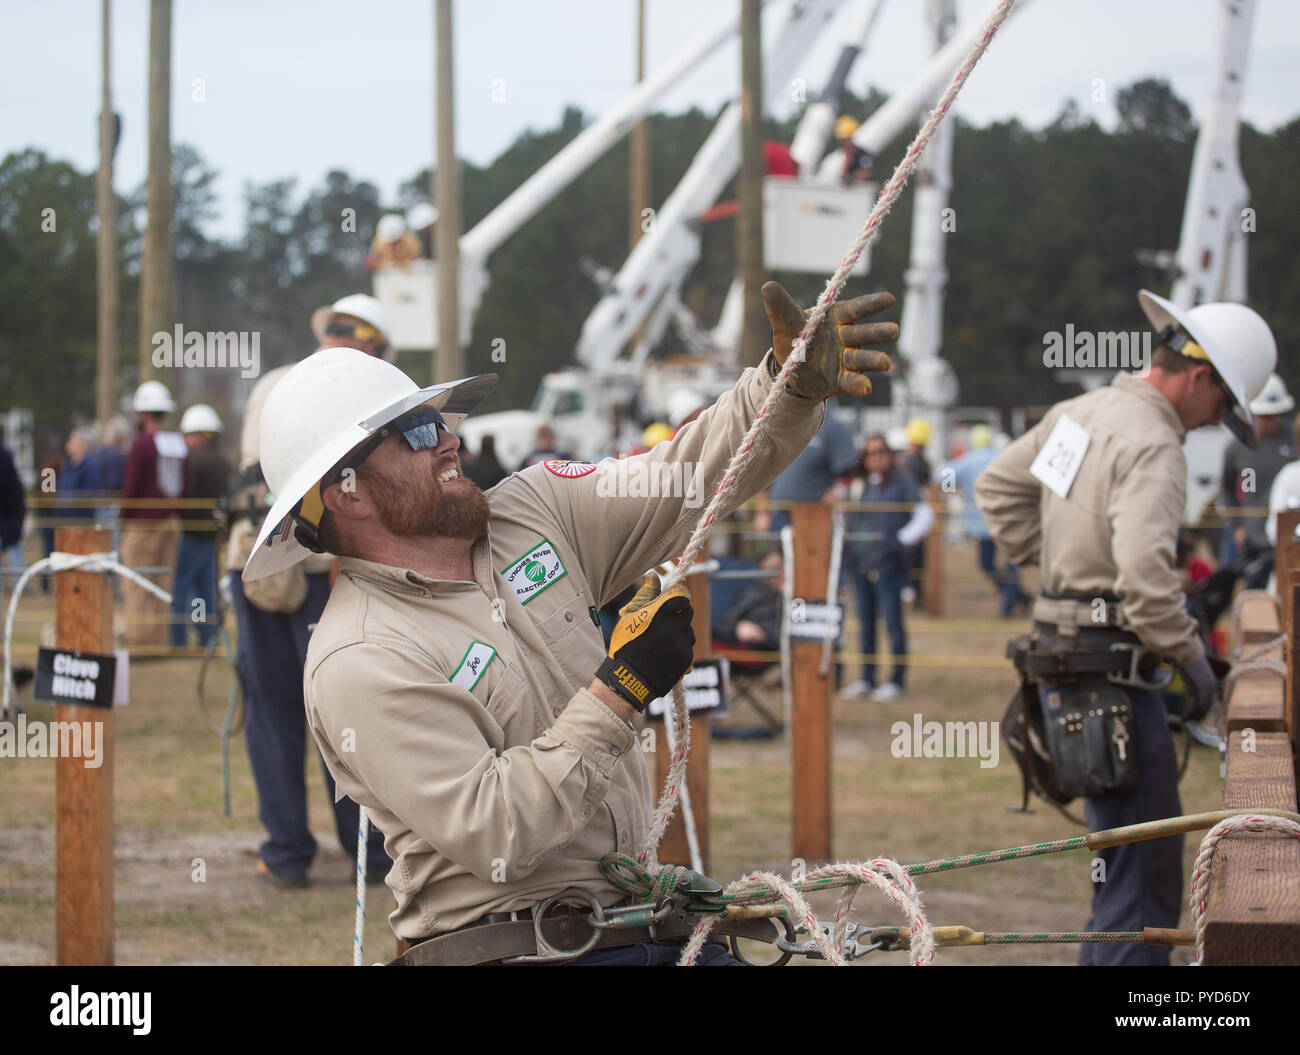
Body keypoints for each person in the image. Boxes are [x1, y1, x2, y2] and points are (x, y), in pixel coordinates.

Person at [241, 281, 898, 961]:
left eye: (438, 418)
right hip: (510, 948)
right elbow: (501, 833)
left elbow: (687, 473)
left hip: (630, 925)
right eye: (413, 431)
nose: (448, 438)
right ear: (345, 495)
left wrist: (784, 389)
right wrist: (622, 688)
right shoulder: (359, 656)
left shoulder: (534, 508)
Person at [975, 289, 1277, 966]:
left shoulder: (1078, 415)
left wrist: (1060, 563)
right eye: (1222, 408)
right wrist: (1195, 662)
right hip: (1112, 679)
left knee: (1119, 873)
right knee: (1141, 886)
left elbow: (997, 487)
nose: (1210, 424)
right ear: (1200, 378)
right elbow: (1145, 581)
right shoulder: (1154, 445)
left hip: (1063, 666)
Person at [228, 292, 393, 887]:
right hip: (284, 564)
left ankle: (351, 852)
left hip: (317, 566)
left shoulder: (354, 393)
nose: (347, 340)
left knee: (334, 708)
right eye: (344, 331)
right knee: (292, 711)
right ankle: (299, 851)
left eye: (356, 334)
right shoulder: (295, 385)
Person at [840, 434, 933, 701]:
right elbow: (847, 520)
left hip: (889, 568)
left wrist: (900, 542)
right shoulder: (860, 486)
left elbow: (925, 514)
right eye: (870, 453)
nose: (876, 457)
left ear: (889, 454)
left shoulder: (903, 482)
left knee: (894, 625)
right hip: (860, 567)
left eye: (881, 451)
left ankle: (896, 680)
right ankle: (866, 679)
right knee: (865, 626)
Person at [120, 382, 186, 648]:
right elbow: (186, 484)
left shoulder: (142, 444)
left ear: (143, 413)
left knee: (136, 581)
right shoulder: (176, 442)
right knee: (163, 581)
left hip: (142, 523)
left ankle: (139, 640)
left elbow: (132, 486)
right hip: (171, 520)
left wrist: (123, 518)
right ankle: (160, 639)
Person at [944, 423, 1031, 618]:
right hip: (1006, 521)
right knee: (1011, 563)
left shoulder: (967, 460)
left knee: (986, 564)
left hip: (980, 524)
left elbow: (944, 473)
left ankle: (1011, 602)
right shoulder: (1002, 458)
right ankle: (1016, 598)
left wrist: (950, 492)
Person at [1218, 372, 1293, 586]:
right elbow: (1226, 490)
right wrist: (1236, 527)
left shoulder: (1293, 441)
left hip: (1288, 538)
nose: (1273, 420)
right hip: (1252, 541)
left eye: (1278, 414)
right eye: (1266, 415)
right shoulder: (1237, 448)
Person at [170, 405, 229, 648]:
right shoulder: (224, 461)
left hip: (193, 532)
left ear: (202, 435)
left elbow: (186, 496)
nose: (185, 441)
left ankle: (178, 638)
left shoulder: (194, 461)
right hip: (211, 533)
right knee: (206, 588)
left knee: (182, 586)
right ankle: (208, 637)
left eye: (189, 435)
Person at [762, 399, 859, 537]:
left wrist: (836, 494)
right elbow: (766, 473)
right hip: (779, 515)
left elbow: (847, 471)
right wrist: (763, 513)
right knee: (774, 558)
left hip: (814, 516)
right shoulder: (786, 425)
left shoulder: (833, 426)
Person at [0, 442, 25, 591]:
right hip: (11, 519)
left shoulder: (4, 457)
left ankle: (20, 586)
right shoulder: (6, 456)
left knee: (15, 553)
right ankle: (21, 586)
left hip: (8, 520)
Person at [834, 115, 874, 185]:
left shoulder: (861, 154)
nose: (845, 142)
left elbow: (867, 171)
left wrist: (852, 178)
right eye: (843, 140)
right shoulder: (841, 154)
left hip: (859, 191)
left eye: (846, 139)